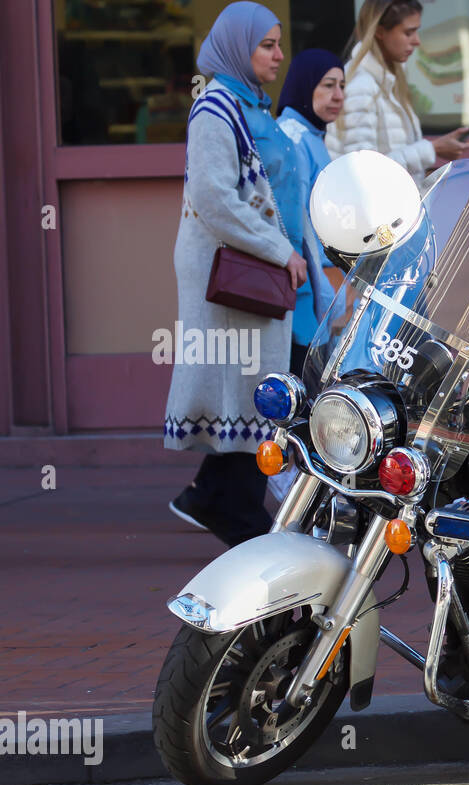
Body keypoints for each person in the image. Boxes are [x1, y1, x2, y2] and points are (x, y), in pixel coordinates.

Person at [163, 2, 307, 546]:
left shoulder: (246, 106)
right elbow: (214, 200)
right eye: (266, 45)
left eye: (278, 44)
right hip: (231, 274)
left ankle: (218, 499)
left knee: (253, 391)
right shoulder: (214, 110)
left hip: (244, 270)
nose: (277, 54)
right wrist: (279, 251)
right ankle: (232, 509)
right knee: (253, 390)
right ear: (236, 47)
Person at [326, 0, 469, 178]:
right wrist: (432, 149)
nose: (417, 41)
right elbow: (364, 169)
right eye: (408, 32)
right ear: (379, 32)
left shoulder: (389, 77)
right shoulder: (361, 87)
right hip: (376, 204)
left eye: (417, 31)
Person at [277, 48, 347, 373]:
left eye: (342, 86)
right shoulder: (293, 137)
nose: (338, 95)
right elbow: (292, 223)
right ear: (305, 86)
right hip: (299, 289)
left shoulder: (311, 135)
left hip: (313, 288)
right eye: (328, 85)